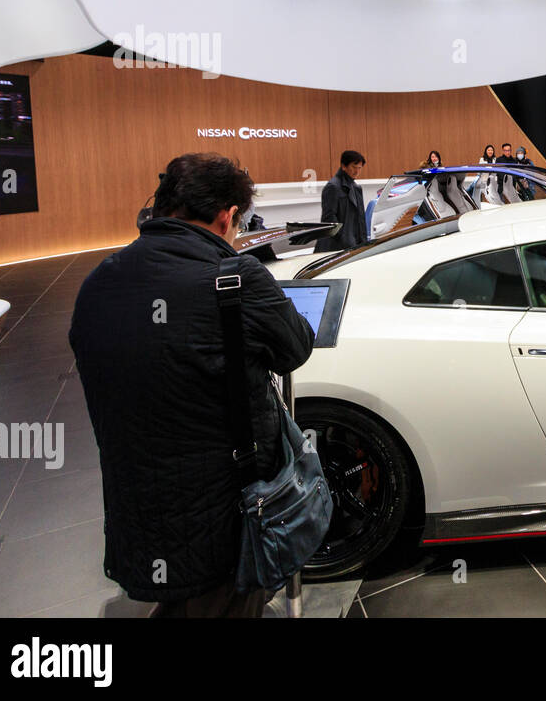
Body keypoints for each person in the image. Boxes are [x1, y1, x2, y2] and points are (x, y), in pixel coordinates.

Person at [69, 153, 315, 617]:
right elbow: (295, 347)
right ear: (227, 217)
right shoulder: (235, 278)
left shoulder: (98, 282)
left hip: (136, 503)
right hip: (224, 514)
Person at [314, 150, 367, 252]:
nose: (357, 171)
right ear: (343, 166)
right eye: (354, 167)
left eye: (359, 168)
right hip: (336, 246)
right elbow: (329, 219)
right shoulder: (333, 187)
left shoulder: (357, 188)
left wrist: (363, 243)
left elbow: (361, 219)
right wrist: (344, 240)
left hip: (352, 244)